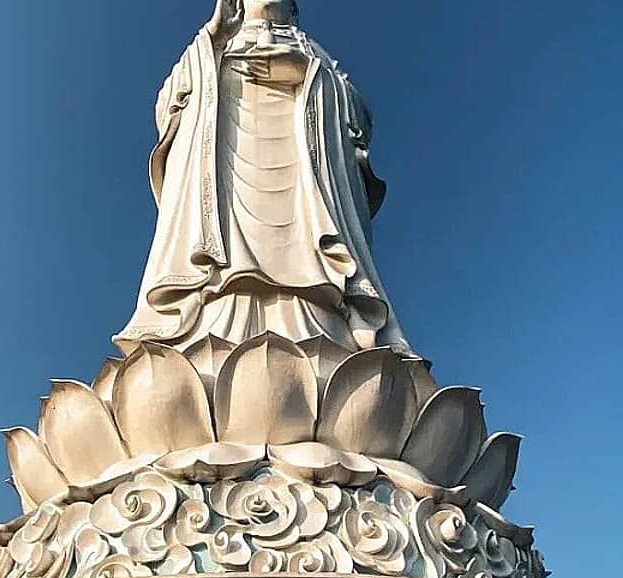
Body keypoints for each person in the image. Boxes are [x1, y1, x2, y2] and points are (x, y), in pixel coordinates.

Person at [115, 0, 414, 356]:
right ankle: (207, 327)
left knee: (308, 258)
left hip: (303, 184)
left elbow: (359, 118)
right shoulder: (212, 45)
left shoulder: (315, 56)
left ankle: (327, 327)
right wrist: (212, 39)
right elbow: (168, 105)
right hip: (227, 183)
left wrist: (309, 75)